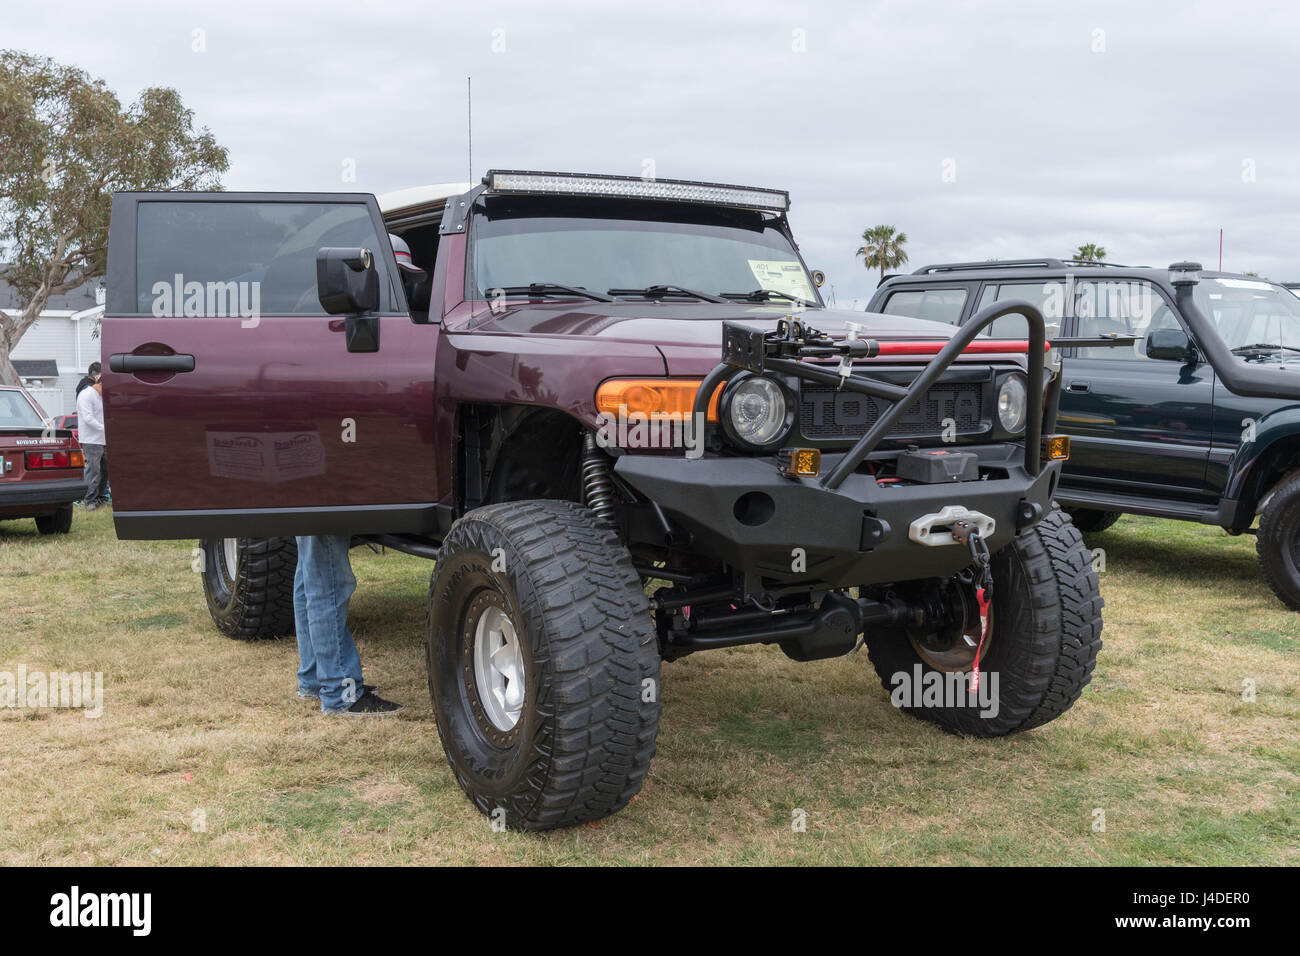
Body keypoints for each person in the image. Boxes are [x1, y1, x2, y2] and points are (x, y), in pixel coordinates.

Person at [293, 235, 424, 716]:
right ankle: (340, 691)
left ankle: (315, 679)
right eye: (397, 285)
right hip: (329, 464)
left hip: (316, 459)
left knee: (313, 572)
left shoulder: (328, 327)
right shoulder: (347, 333)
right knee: (328, 575)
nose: (404, 297)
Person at [75, 375, 108, 510]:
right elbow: (88, 417)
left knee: (105, 471)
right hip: (91, 439)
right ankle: (89, 499)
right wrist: (105, 428)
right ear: (100, 384)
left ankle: (100, 496)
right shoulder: (86, 395)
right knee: (94, 471)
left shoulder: (100, 396)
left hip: (103, 439)